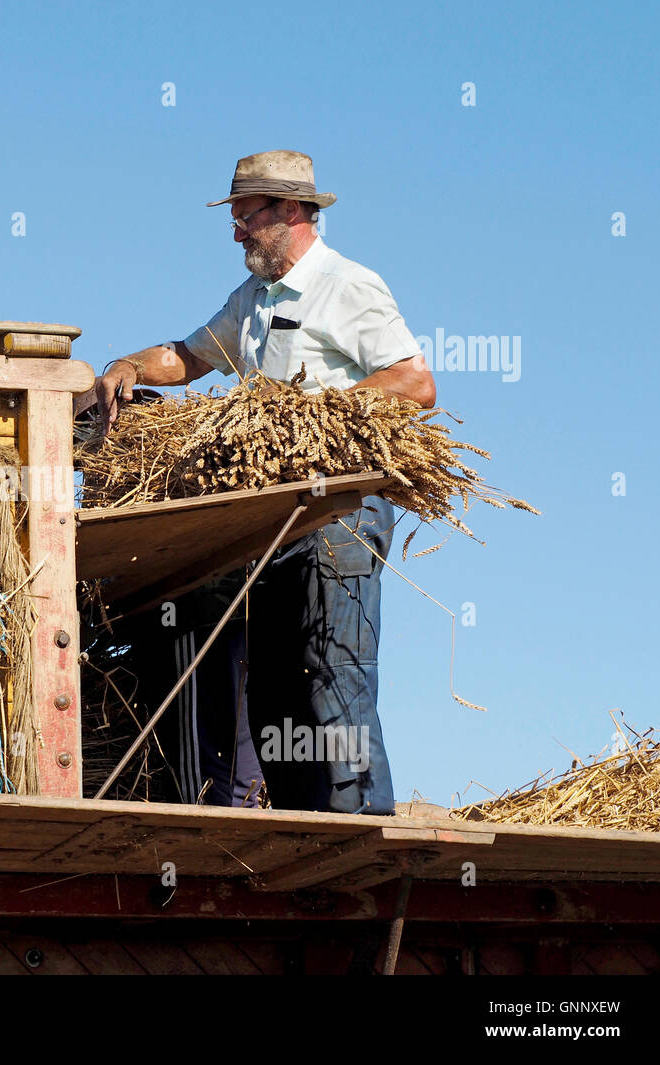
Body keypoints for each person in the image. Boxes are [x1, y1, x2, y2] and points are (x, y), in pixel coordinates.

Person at [94, 150, 435, 815]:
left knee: (333, 673)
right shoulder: (252, 300)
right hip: (274, 522)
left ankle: (363, 829)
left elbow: (414, 383)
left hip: (340, 513)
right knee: (275, 689)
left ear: (290, 212)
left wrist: (306, 415)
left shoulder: (347, 285)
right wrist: (128, 363)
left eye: (246, 217)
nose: (236, 232)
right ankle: (302, 830)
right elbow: (190, 356)